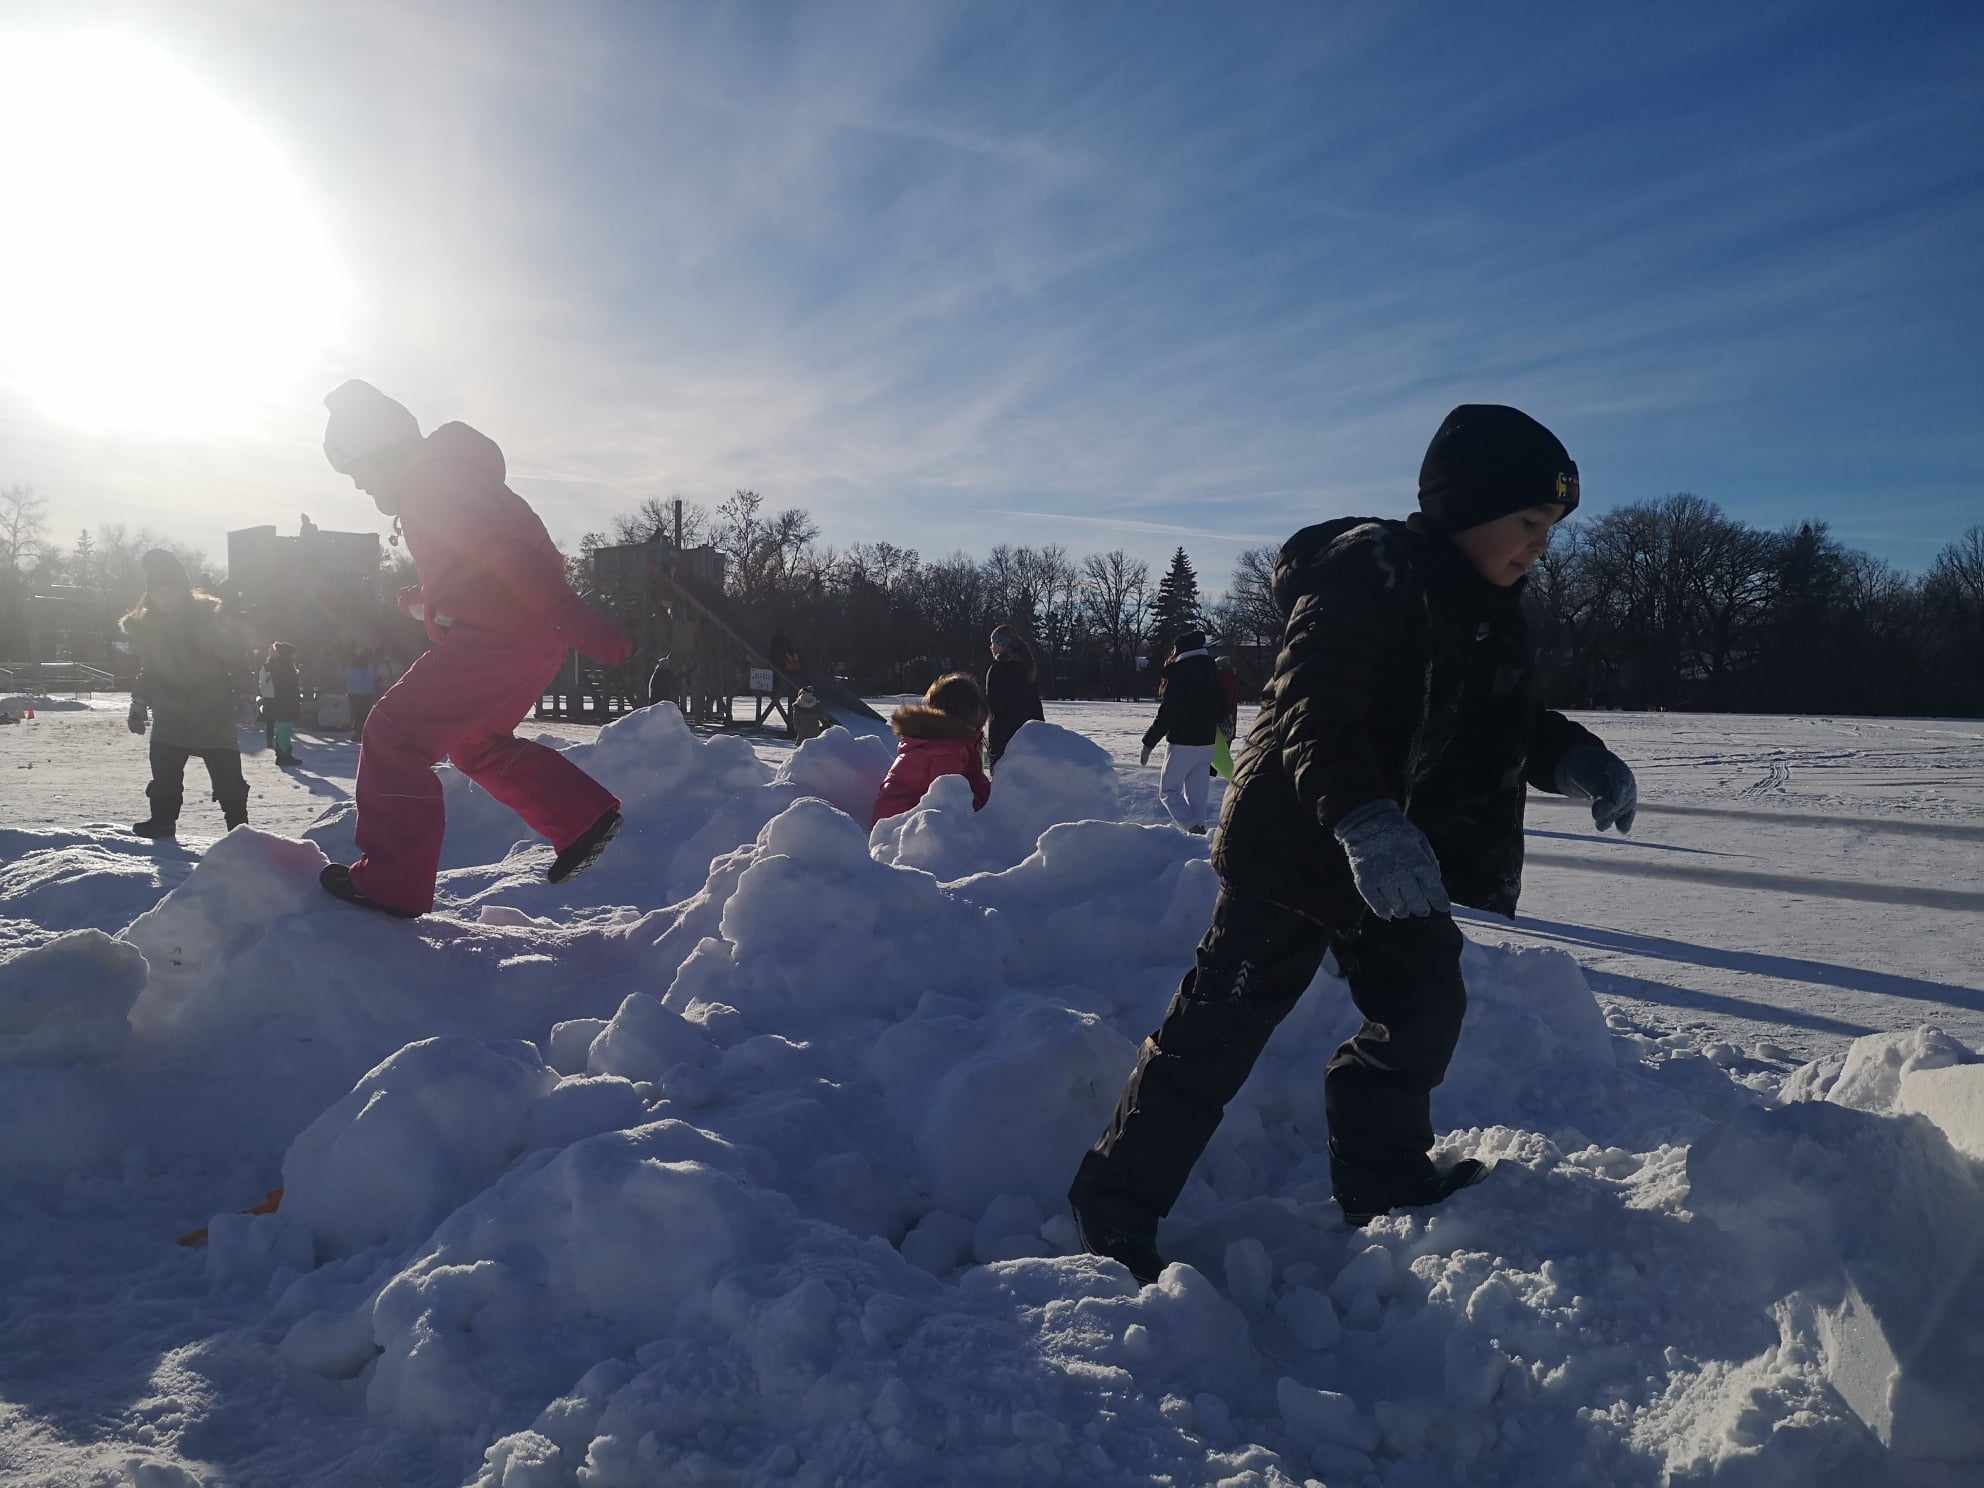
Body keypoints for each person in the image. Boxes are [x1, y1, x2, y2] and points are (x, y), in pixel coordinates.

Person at [1068, 404, 1639, 1281]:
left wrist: (1578, 761)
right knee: (1219, 1030)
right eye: (1529, 522)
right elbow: (1316, 708)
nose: (1540, 546)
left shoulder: (1488, 611)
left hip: (1393, 860)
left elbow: (1505, 721)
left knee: (1424, 1008)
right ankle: (1114, 1208)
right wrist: (1362, 818)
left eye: (1552, 529)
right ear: (1468, 505)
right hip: (1297, 846)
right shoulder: (1368, 571)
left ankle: (1383, 1178)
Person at [317, 379, 631, 918]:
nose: (361, 486)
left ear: (383, 450)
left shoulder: (435, 485)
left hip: (500, 638)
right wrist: (425, 601)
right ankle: (580, 817)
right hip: (522, 637)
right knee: (474, 743)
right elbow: (476, 572)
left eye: (359, 471)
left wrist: (576, 617)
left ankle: (393, 882)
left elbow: (511, 559)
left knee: (394, 734)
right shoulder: (440, 481)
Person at [122, 549, 249, 838]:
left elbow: (235, 660)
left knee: (228, 776)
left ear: (183, 589)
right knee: (164, 772)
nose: (164, 596)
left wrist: (244, 695)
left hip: (212, 712)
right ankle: (162, 820)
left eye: (170, 589)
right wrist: (138, 703)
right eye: (157, 590)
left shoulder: (208, 619)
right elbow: (149, 670)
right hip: (170, 712)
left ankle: (239, 828)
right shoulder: (149, 627)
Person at [871, 672, 992, 827]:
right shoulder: (945, 752)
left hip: (899, 821)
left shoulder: (938, 742)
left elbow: (972, 781)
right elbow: (952, 801)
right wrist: (987, 803)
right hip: (901, 829)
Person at [1139, 631, 1223, 834]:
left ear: (1180, 650)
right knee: (1197, 798)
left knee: (1169, 791)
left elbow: (1168, 712)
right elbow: (1221, 708)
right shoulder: (1213, 670)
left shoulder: (1180, 672)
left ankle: (1193, 828)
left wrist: (1149, 742)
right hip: (1207, 743)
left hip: (1183, 742)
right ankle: (1198, 834)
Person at [984, 625, 1044, 768]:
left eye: (993, 643)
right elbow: (1035, 703)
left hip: (1003, 738)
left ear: (1002, 645)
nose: (991, 647)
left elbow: (994, 705)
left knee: (1004, 777)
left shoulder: (998, 669)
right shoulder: (1028, 666)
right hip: (1029, 735)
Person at [265, 641, 302, 767]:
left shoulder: (280, 665)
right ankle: (284, 755)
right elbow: (287, 686)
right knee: (284, 729)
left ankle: (283, 753)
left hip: (282, 701)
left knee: (283, 729)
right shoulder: (284, 667)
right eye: (293, 654)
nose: (294, 657)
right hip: (285, 701)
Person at [1212, 655, 1244, 781]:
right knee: (1224, 750)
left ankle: (1215, 777)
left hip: (1220, 719)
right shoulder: (1233, 678)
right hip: (1230, 718)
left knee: (1218, 753)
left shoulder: (1220, 678)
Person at [345, 652, 378, 735]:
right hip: (366, 694)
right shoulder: (370, 670)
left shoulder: (351, 670)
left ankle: (357, 731)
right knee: (365, 714)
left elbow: (348, 682)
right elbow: (373, 681)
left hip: (355, 694)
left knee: (357, 713)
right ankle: (363, 731)